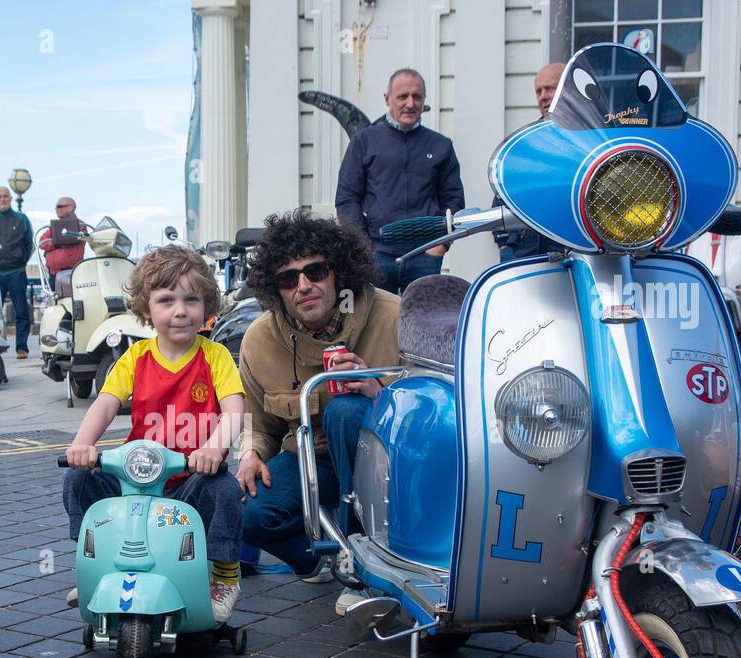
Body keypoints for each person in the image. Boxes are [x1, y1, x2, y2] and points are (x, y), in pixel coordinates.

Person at [62, 245, 246, 622]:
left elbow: (234, 412)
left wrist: (214, 447)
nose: (180, 310)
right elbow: (105, 404)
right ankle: (91, 563)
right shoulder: (136, 357)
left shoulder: (215, 357)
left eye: (191, 299)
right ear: (146, 309)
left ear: (206, 305)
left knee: (225, 490)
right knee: (78, 478)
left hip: (192, 477)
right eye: (166, 300)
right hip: (137, 481)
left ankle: (226, 575)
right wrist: (84, 443)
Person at [236, 211, 399, 580]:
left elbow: (435, 409)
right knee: (248, 512)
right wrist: (250, 453)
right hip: (314, 463)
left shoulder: (393, 315)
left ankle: (363, 556)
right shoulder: (260, 341)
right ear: (275, 290)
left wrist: (380, 394)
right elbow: (258, 423)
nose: (304, 285)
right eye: (288, 278)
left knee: (346, 410)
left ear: (339, 271)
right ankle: (318, 562)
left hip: (388, 468)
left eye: (316, 271)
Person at [336, 68, 465, 295]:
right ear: (387, 99)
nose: (410, 103)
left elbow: (454, 199)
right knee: (377, 325)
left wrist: (441, 244)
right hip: (376, 255)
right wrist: (362, 246)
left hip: (425, 255)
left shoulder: (441, 146)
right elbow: (347, 198)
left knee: (423, 324)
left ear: (424, 100)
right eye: (402, 96)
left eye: (417, 96)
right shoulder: (364, 142)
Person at [494, 63, 567, 261]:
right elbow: (500, 195)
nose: (543, 95)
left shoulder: (590, 136)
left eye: (550, 88)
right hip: (522, 251)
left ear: (568, 88)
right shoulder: (524, 142)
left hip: (571, 249)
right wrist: (504, 244)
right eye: (538, 91)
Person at [0, 186, 35, 357]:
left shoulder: (21, 219)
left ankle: (22, 347)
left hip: (16, 272)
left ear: (10, 198)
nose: (3, 199)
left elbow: (29, 244)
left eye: (5, 196)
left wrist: (21, 260)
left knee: (21, 311)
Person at [39, 196, 89, 288]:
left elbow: (70, 239)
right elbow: (42, 242)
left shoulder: (80, 225)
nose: (56, 209)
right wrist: (56, 243)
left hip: (70, 273)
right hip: (53, 274)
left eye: (59, 206)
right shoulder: (54, 227)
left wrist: (54, 241)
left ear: (70, 208)